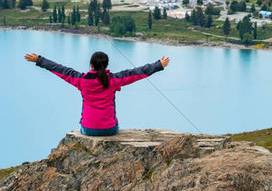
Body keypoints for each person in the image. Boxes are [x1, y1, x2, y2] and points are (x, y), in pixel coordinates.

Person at [24, 51, 169, 136]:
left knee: (83, 125)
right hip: (110, 129)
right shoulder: (114, 80)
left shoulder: (81, 80)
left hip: (87, 129)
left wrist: (39, 60)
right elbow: (136, 73)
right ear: (106, 65)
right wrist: (158, 65)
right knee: (114, 123)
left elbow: (60, 69)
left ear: (91, 65)